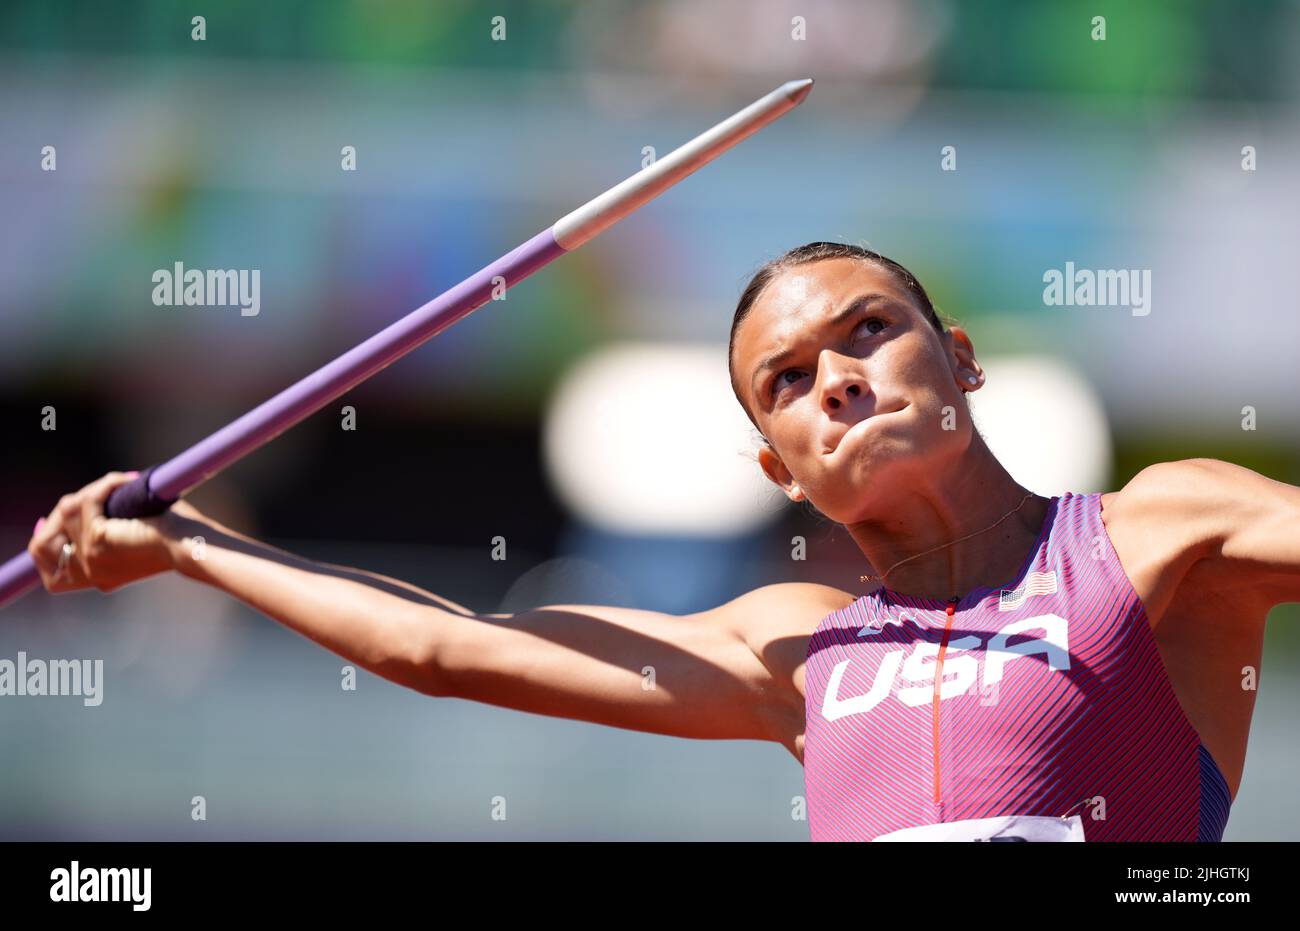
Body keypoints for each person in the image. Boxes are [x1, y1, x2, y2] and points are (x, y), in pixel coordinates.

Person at [27, 242, 1299, 841]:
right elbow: (442, 645)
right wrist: (190, 547)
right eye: (788, 382)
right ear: (779, 471)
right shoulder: (792, 651)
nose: (839, 381)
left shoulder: (1157, 533)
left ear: (958, 359)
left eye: (866, 332)